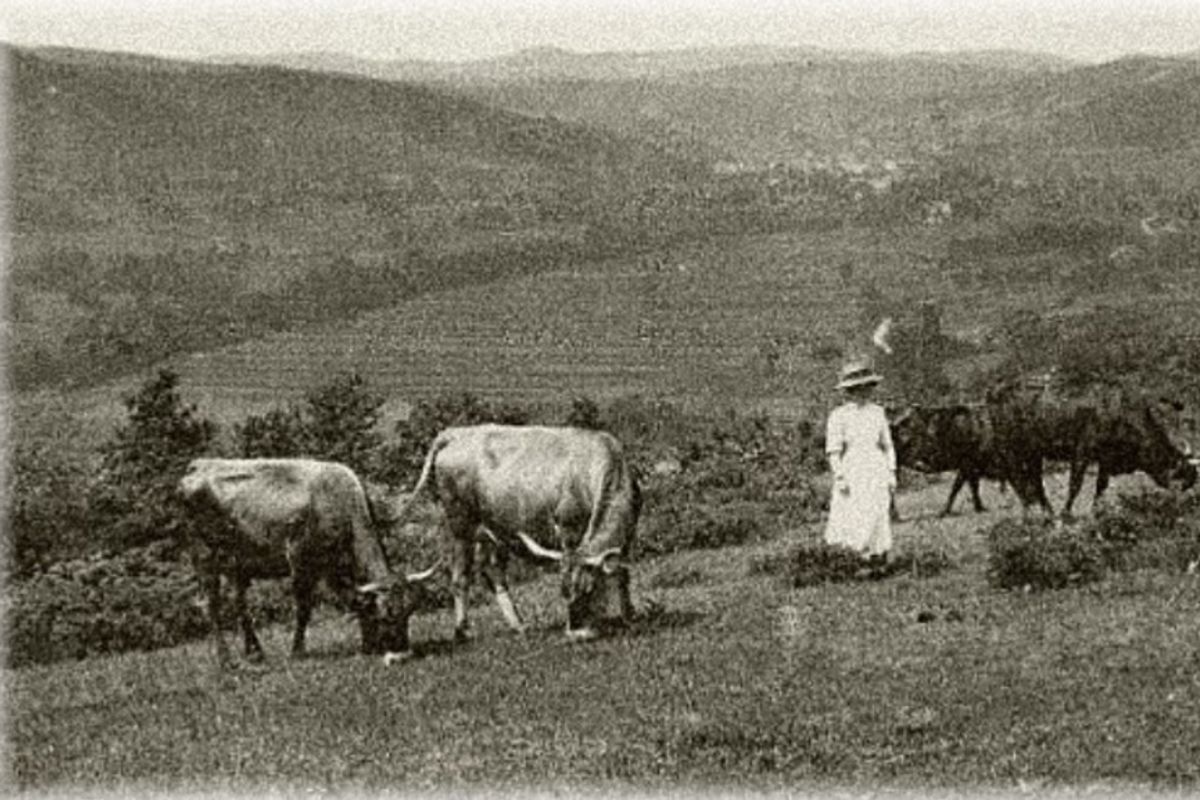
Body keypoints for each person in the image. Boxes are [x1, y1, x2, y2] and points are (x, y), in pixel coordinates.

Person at [824, 358, 897, 569]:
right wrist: (839, 476)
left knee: (877, 511)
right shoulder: (838, 416)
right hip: (853, 468)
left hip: (876, 466)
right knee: (853, 511)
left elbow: (887, 445)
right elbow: (833, 451)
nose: (862, 392)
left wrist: (891, 471)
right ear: (848, 390)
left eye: (866, 387)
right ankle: (853, 559)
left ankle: (877, 557)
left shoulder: (877, 412)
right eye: (857, 388)